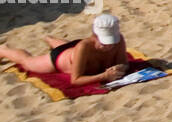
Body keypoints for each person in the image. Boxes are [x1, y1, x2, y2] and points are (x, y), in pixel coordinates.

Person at [0, 14, 129, 87]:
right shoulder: (84, 47)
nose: (109, 46)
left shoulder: (119, 40)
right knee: (27, 62)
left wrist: (120, 68)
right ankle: (3, 50)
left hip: (72, 50)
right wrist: (104, 76)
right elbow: (75, 80)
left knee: (69, 49)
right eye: (105, 42)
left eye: (111, 41)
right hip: (59, 60)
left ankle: (50, 39)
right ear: (94, 36)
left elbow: (125, 63)